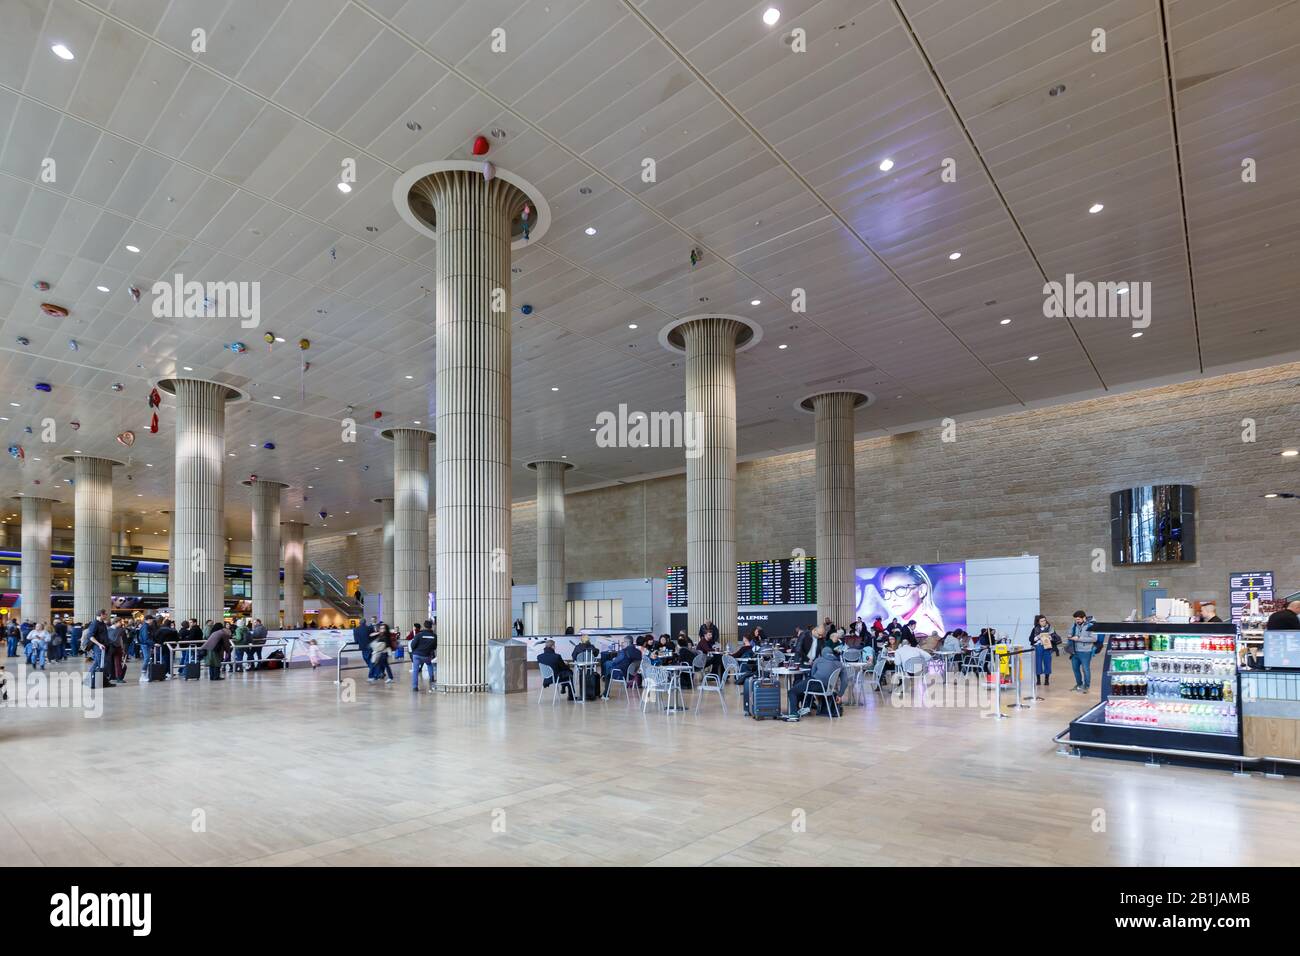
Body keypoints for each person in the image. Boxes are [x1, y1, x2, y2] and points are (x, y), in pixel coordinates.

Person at [791, 647, 843, 717]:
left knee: (792, 691)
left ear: (822, 653)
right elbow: (845, 680)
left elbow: (812, 675)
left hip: (817, 684)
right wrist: (840, 694)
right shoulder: (839, 664)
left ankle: (793, 714)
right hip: (828, 688)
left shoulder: (818, 660)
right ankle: (806, 707)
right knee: (806, 685)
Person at [1067, 610, 1097, 692]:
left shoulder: (1091, 626)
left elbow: (1094, 639)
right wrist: (1069, 635)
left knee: (1085, 669)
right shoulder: (1074, 625)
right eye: (1076, 619)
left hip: (1085, 651)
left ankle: (1086, 686)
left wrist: (1079, 639)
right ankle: (1079, 684)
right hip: (1074, 651)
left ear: (1084, 618)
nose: (1077, 621)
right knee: (1075, 669)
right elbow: (1069, 633)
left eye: (1078, 619)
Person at [1029, 614, 1059, 687]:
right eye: (1041, 621)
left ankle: (1046, 680)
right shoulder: (1035, 628)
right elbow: (1031, 639)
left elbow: (1056, 637)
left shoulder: (1050, 628)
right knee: (1038, 663)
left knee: (1047, 662)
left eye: (1044, 620)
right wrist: (1038, 637)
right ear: (1038, 622)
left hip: (1047, 647)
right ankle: (1038, 680)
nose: (1044, 622)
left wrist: (1050, 637)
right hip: (1038, 646)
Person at [410, 620, 437, 692]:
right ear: (431, 626)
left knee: (415, 671)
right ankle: (431, 680)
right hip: (426, 655)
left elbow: (412, 645)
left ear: (424, 626)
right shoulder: (434, 636)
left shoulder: (419, 635)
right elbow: (434, 647)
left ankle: (415, 687)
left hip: (417, 655)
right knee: (429, 665)